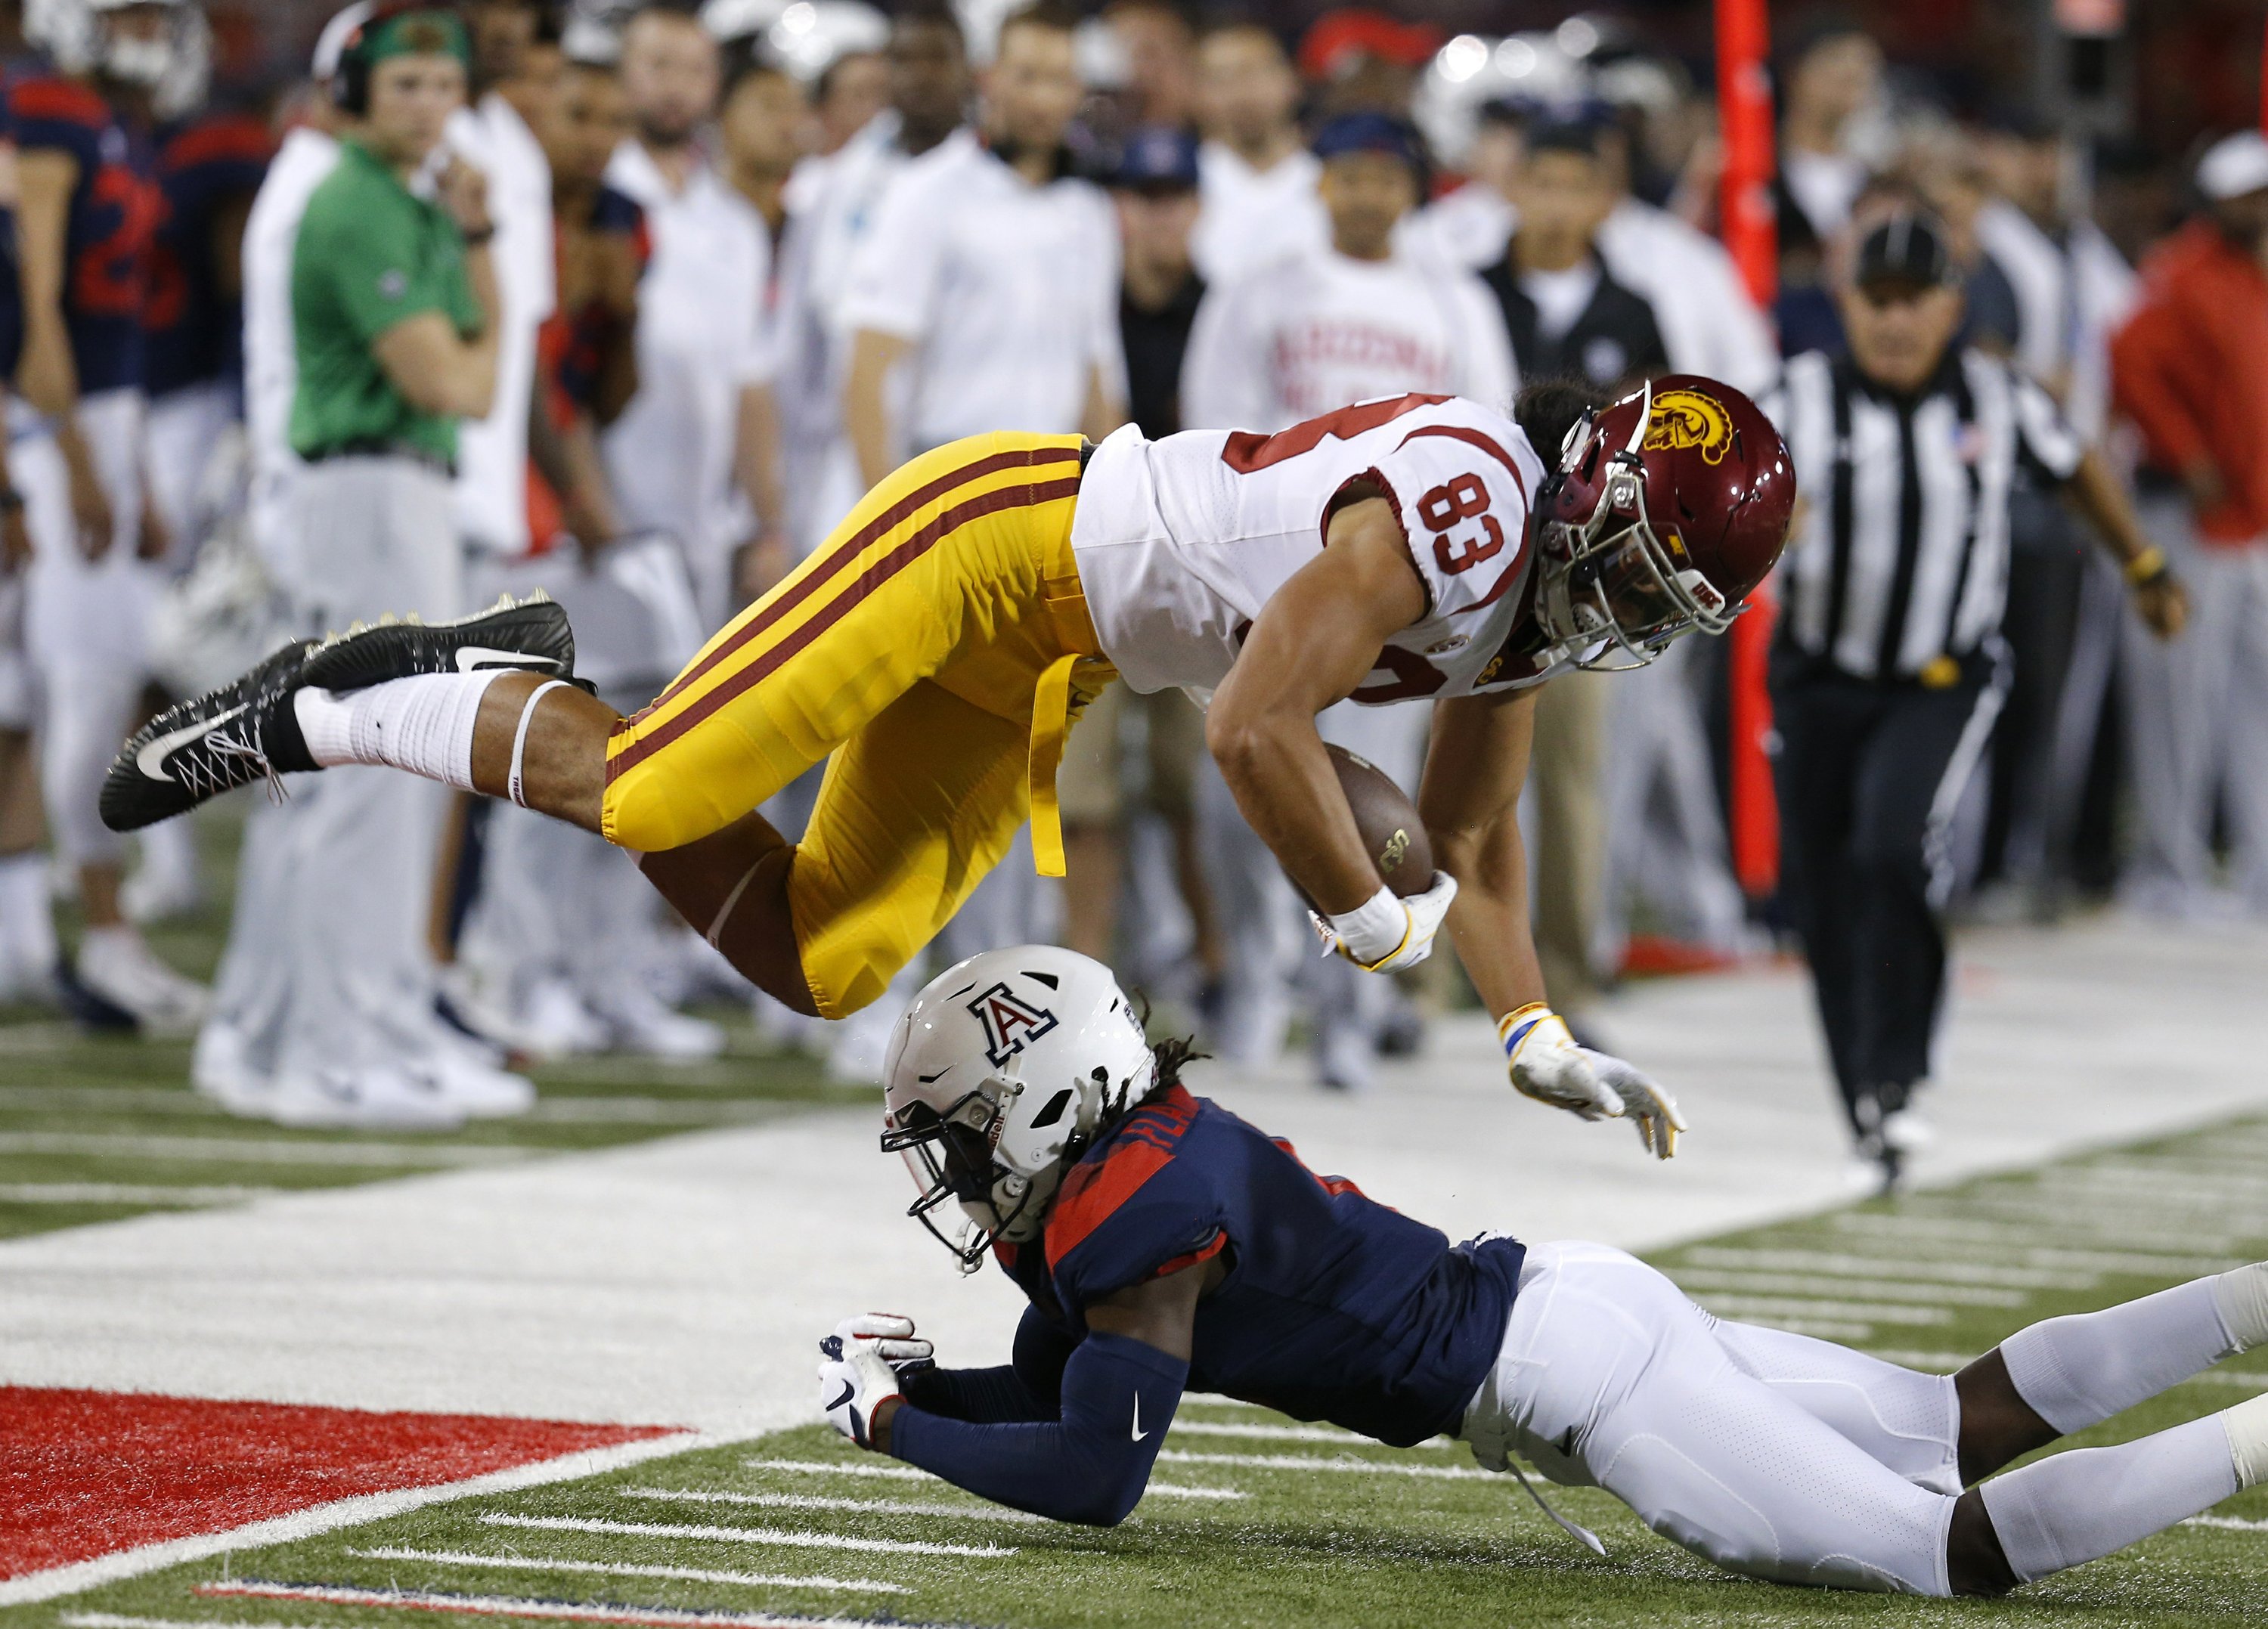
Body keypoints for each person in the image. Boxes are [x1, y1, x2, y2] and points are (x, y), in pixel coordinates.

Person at [113, 372, 1796, 1158]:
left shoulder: (1530, 612)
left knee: (825, 957)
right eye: (1636, 572)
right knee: (652, 794)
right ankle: (343, 702)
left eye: (1666, 607)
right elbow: (1251, 727)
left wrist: (1532, 1033)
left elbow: (1471, 847)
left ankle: (493, 681)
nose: (1628, 613)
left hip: (1056, 661)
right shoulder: (1473, 500)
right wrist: (1362, 917)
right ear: (1590, 488)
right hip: (992, 544)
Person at [813, 945, 2268, 1599]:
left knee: (1942, 1553)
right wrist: (919, 1388)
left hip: (1580, 1378)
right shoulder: (1140, 1163)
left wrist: (891, 1430)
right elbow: (1060, 1392)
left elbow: (1097, 1476)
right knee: (1949, 1423)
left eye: (962, 1139)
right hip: (1576, 1300)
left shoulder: (1134, 1225)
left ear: (1045, 1101)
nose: (954, 1174)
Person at [1765, 212, 2185, 1191]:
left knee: (1892, 846)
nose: (1895, 320)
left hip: (1940, 677)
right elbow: (1732, 496)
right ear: (1847, 304)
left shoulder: (1999, 396)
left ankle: (1902, 1071)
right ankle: (1864, 1101)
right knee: (1822, 895)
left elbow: (2078, 465)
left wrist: (2145, 565)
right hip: (1817, 676)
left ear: (1951, 307)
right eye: (1878, 299)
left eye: (1914, 300)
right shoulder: (1794, 398)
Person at [1180, 109, 1514, 1087]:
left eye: (1385, 176)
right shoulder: (1263, 288)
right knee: (1241, 782)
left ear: (1412, 189)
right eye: (1350, 174)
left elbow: (1493, 437)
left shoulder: (1453, 300)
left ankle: (1350, 1011)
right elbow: (1213, 423)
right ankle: (1256, 984)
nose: (1367, 194)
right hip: (1273, 567)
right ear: (1321, 182)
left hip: (1397, 587)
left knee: (1379, 801)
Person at [259, 2, 531, 1127]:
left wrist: (479, 237)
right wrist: (473, 328)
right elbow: (451, 380)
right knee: (364, 781)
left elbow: (485, 371)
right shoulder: (354, 201)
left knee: (402, 781)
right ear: (353, 94)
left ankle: (377, 1030)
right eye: (404, 85)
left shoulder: (417, 203)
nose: (428, 105)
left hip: (409, 487)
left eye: (443, 85)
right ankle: (330, 1051)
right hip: (365, 485)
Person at [12, 0, 206, 1027]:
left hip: (106, 423)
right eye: (129, 11)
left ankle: (84, 931)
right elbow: (31, 299)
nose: (149, 31)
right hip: (59, 429)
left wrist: (132, 468)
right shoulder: (47, 112)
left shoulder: (106, 121)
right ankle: (103, 930)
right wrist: (77, 454)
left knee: (112, 679)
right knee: (83, 694)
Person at [1480, 116, 1667, 1038]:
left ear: (1603, 199)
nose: (1556, 203)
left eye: (1574, 185)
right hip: (1478, 565)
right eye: (1541, 182)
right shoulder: (1474, 293)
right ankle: (1429, 979)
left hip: (1583, 579)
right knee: (1462, 769)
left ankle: (1571, 974)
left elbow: (1658, 440)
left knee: (1573, 778)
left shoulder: (1630, 310)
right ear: (1512, 187)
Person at [1048, 125, 1217, 989]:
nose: (1158, 216)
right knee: (1086, 789)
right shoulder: (1086, 306)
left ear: (1196, 207)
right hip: (1097, 561)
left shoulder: (1223, 310)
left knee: (1202, 785)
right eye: (1144, 198)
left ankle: (1223, 969)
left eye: (1172, 198)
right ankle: (1087, 973)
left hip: (1199, 569)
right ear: (1121, 208)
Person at [2109, 132, 2268, 920]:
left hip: (2251, 524)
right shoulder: (2181, 273)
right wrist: (2189, 453)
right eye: (2249, 195)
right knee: (2178, 699)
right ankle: (2168, 867)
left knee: (2252, 699)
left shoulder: (2252, 275)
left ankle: (2259, 866)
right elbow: (2130, 363)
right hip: (2187, 517)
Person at [601, 2, 782, 631]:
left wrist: (769, 525)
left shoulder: (736, 225)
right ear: (624, 71)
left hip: (702, 533)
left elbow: (750, 388)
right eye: (658, 65)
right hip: (603, 522)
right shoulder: (593, 204)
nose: (675, 86)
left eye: (694, 69)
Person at [771, 0, 967, 563]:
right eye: (904, 60)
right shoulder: (841, 182)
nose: (920, 75)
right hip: (840, 464)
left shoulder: (996, 188)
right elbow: (798, 337)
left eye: (937, 58)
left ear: (968, 68)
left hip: (958, 455)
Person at [1188, 19, 1323, 285]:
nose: (1243, 91)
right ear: (1195, 93)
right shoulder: (1175, 185)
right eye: (1223, 78)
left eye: (1257, 72)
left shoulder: (1332, 182)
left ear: (1293, 81)